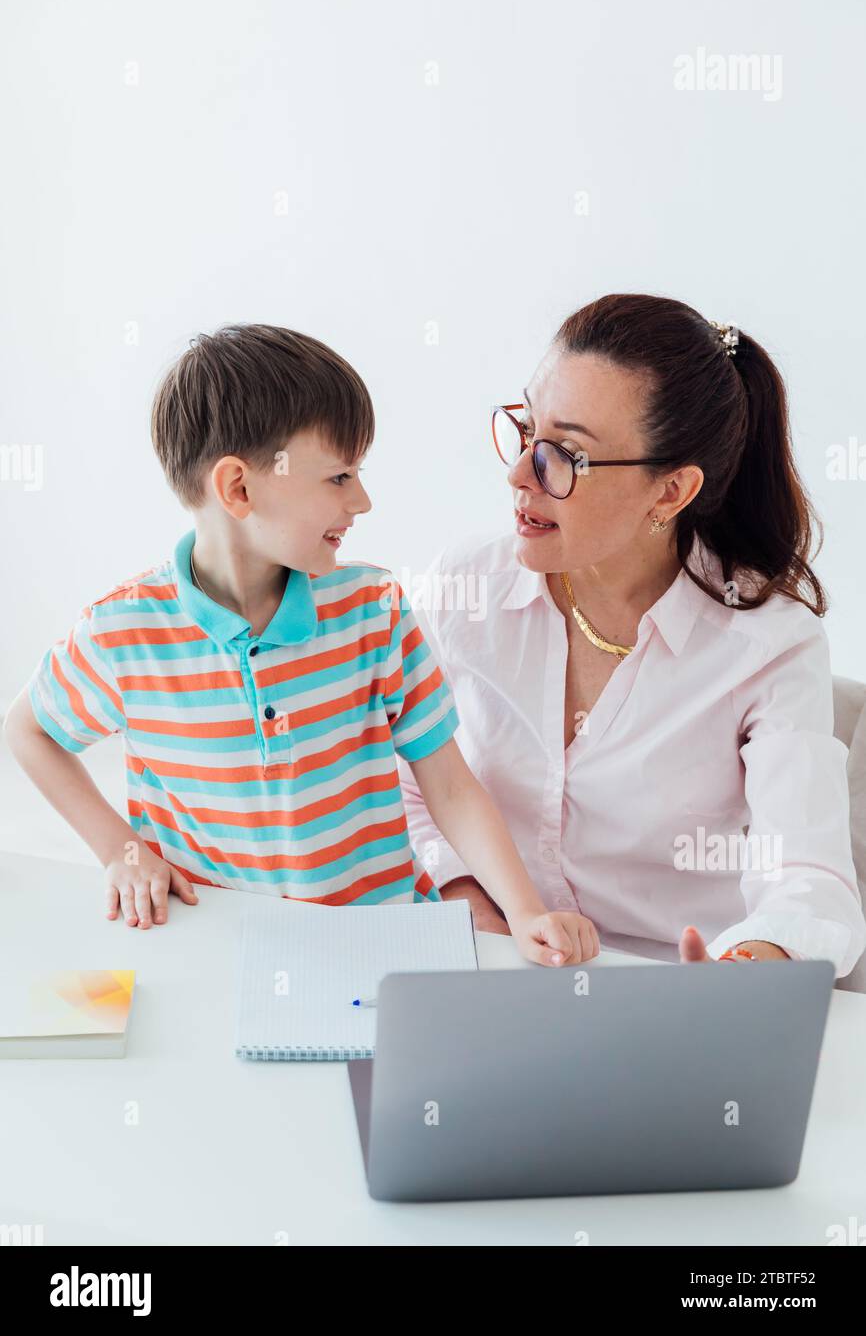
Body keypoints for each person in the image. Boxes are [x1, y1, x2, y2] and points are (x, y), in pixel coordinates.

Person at [3, 323, 597, 967]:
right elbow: (30, 732)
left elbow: (449, 785)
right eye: (339, 477)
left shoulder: (375, 612)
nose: (362, 500)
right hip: (219, 952)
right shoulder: (122, 634)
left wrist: (523, 910)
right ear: (238, 488)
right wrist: (122, 852)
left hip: (384, 941)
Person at [399, 293, 866, 976]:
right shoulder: (464, 587)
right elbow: (404, 774)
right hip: (492, 965)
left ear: (670, 492)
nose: (519, 473)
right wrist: (466, 895)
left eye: (566, 455)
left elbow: (809, 880)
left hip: (674, 991)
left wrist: (752, 960)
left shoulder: (769, 643)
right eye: (527, 431)